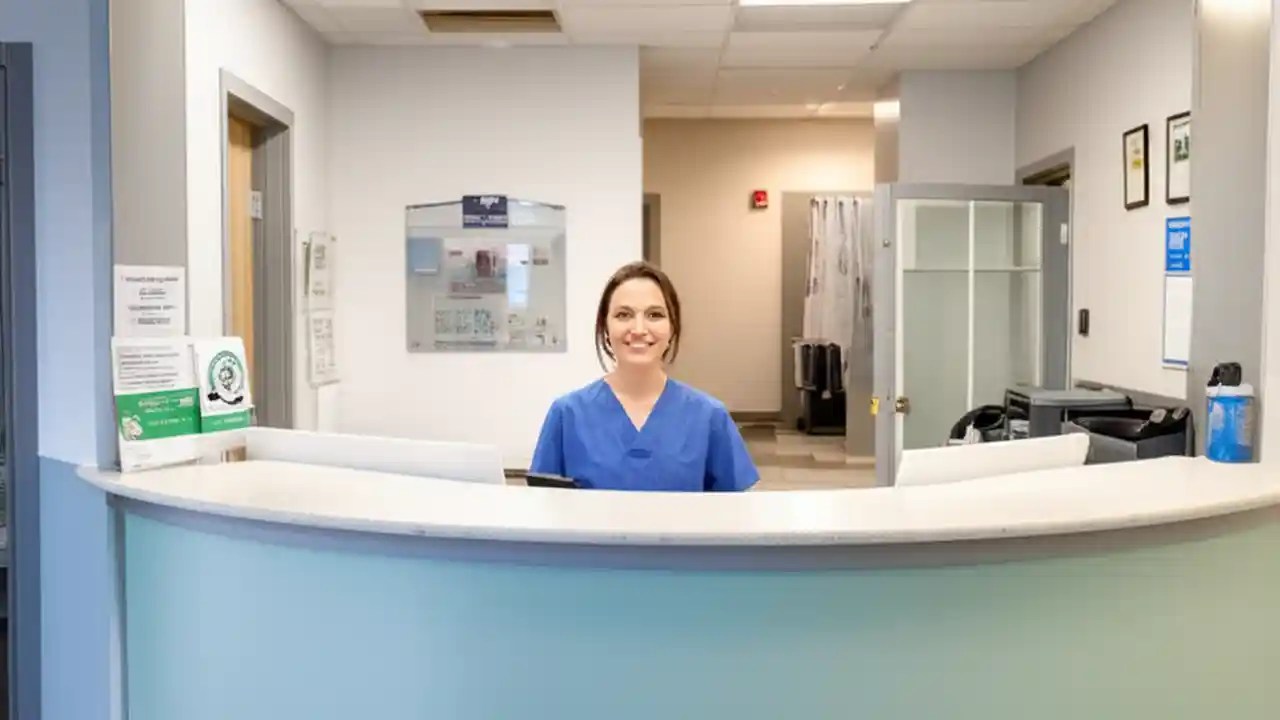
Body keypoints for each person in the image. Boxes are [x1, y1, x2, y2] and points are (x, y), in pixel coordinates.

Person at [529, 261, 759, 492]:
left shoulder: (709, 418)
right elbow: (543, 510)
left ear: (672, 328)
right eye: (623, 315)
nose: (639, 329)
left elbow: (740, 515)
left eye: (654, 315)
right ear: (605, 329)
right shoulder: (567, 415)